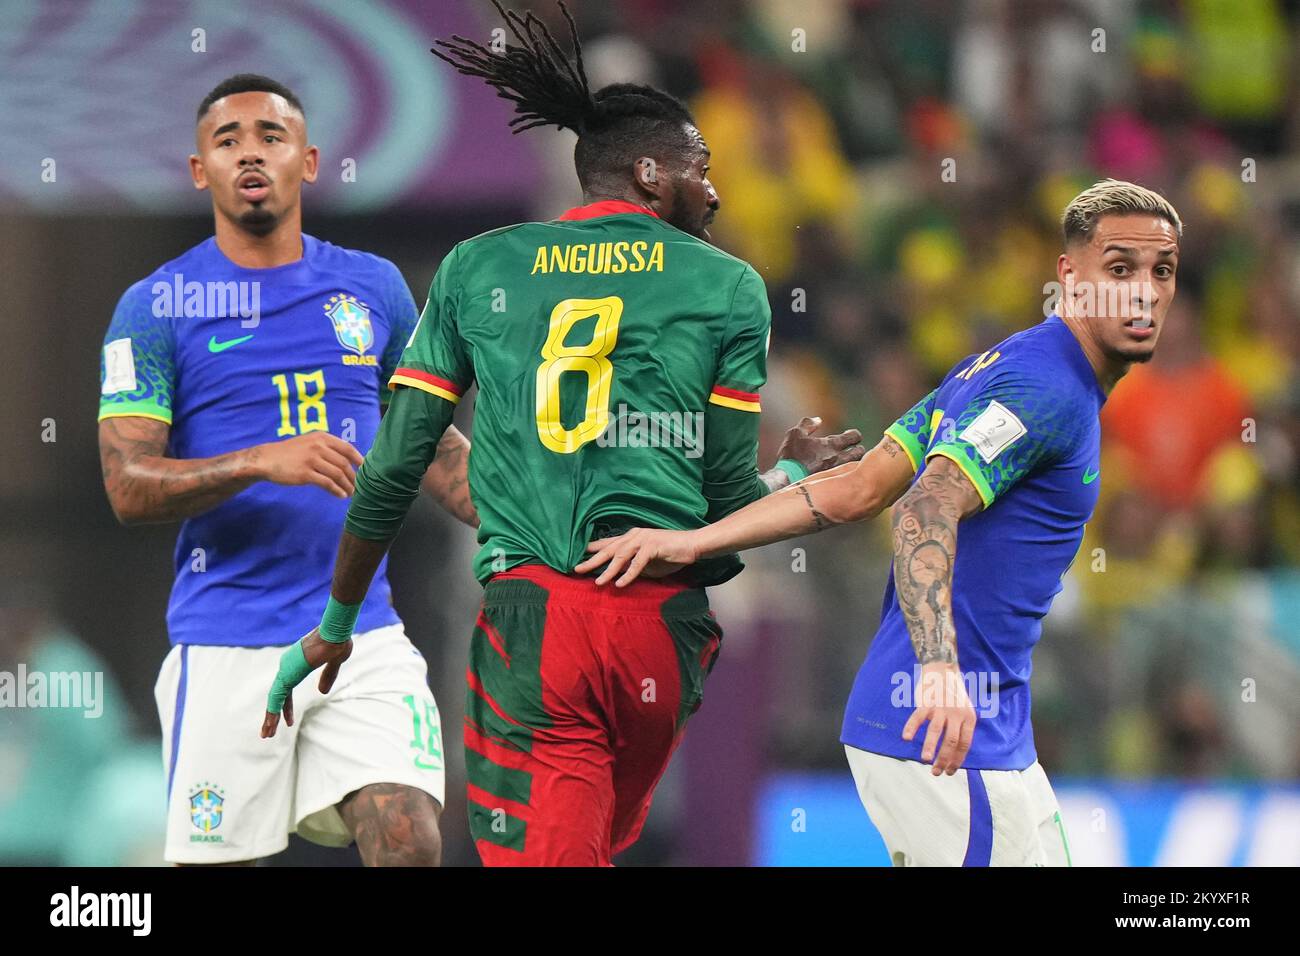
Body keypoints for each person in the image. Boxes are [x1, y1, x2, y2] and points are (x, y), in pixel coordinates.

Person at [261, 2, 864, 866]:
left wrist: (338, 616)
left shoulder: (479, 266)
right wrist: (790, 478)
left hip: (534, 625)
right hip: (664, 635)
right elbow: (728, 509)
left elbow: (395, 464)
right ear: (652, 176)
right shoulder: (730, 287)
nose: (717, 189)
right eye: (703, 169)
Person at [580, 179, 1183, 866]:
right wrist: (938, 671)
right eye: (1120, 268)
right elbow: (925, 503)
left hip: (976, 732)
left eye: (1160, 271)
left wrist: (693, 542)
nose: (1143, 290)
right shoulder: (1044, 389)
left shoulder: (1008, 365)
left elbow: (860, 488)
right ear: (1071, 277)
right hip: (946, 733)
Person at [98, 73, 475, 866]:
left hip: (358, 632)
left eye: (269, 136)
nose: (249, 153)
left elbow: (433, 451)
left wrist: (547, 522)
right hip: (227, 641)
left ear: (308, 161)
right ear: (200, 171)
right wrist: (261, 460)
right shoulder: (155, 306)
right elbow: (128, 487)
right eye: (226, 140)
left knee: (408, 836)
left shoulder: (373, 290)